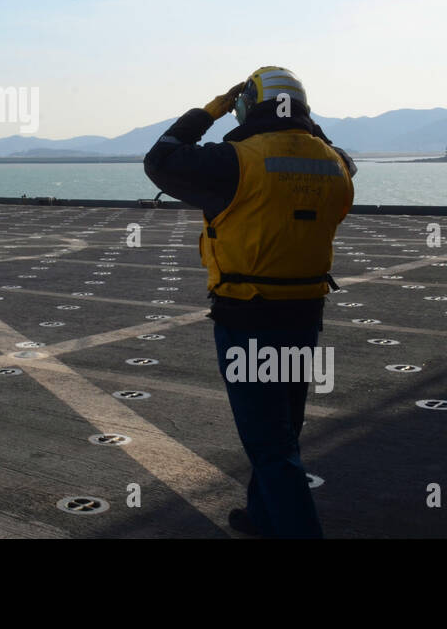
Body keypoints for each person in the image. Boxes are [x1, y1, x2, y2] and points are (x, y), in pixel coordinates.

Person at [143, 66, 356, 538]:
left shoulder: (236, 161)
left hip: (249, 315)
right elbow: (323, 153)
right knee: (283, 431)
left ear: (248, 105)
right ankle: (262, 518)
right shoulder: (336, 161)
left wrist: (212, 109)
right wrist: (304, 125)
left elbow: (160, 160)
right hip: (305, 313)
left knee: (270, 444)